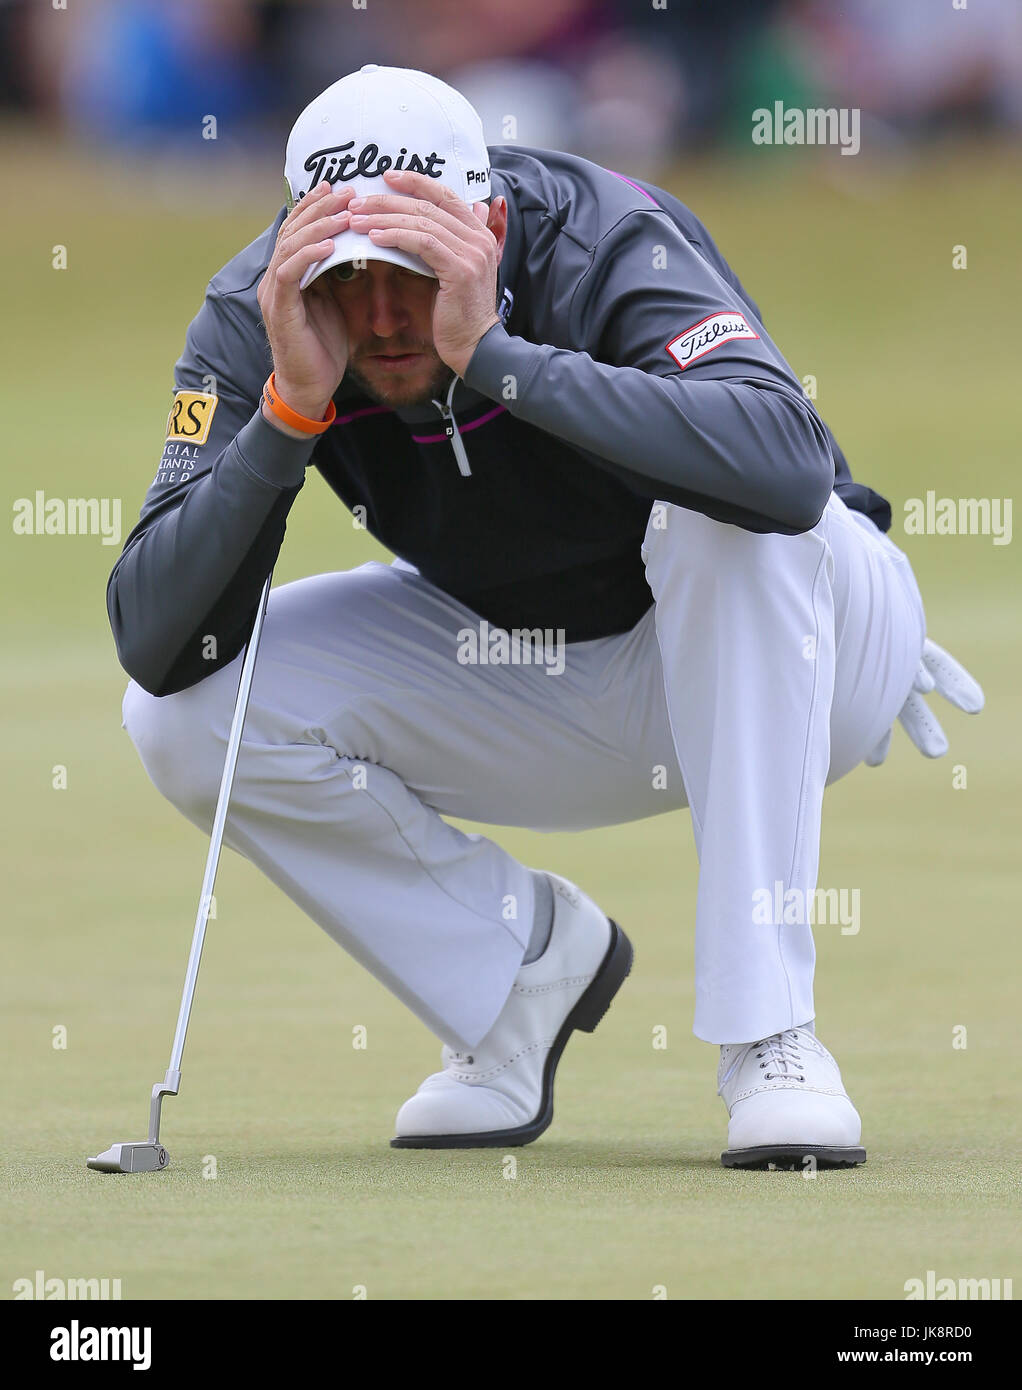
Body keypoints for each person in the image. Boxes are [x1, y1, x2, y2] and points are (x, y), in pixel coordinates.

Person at [108, 64, 983, 1168]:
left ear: (486, 221)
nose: (379, 317)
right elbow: (156, 637)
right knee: (181, 717)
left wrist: (500, 361)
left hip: (800, 649)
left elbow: (783, 471)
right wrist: (286, 414)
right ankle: (516, 976)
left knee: (723, 523)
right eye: (348, 278)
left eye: (413, 271)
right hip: (548, 675)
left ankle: (770, 1037)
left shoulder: (606, 237)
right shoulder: (263, 309)